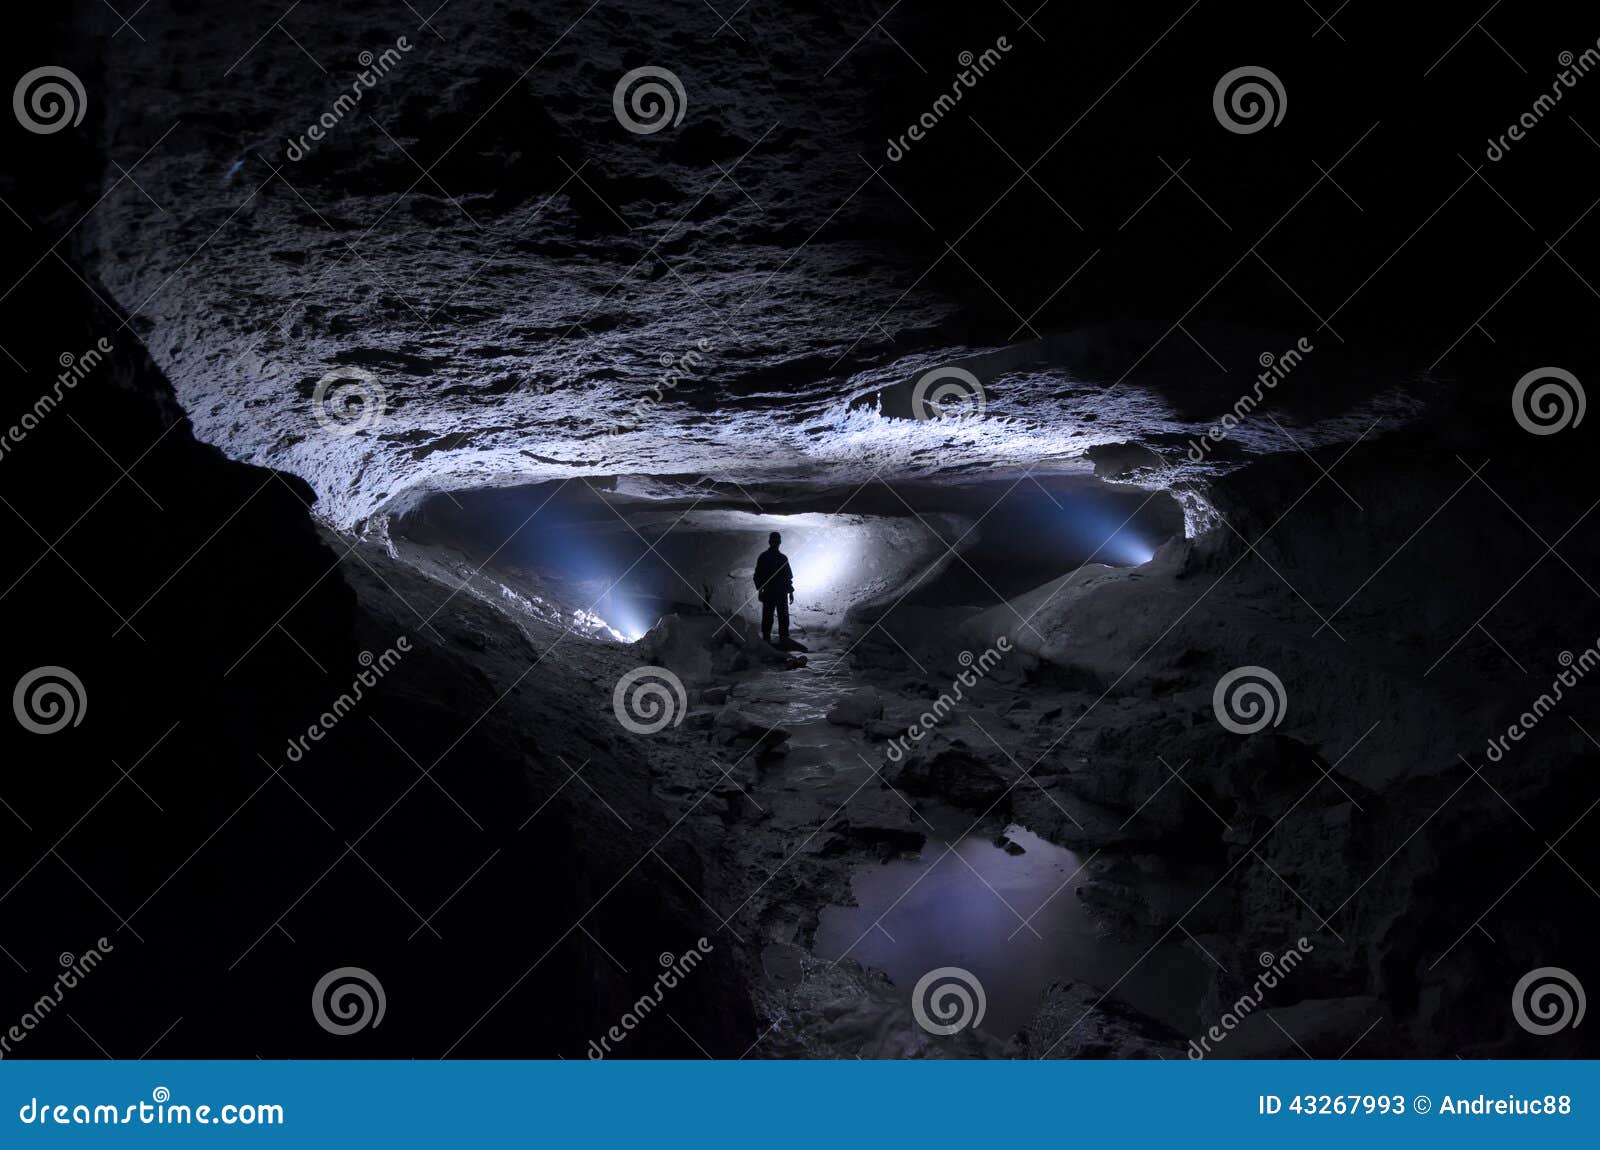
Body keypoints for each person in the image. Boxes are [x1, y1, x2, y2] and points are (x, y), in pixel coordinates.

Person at [753, 531, 794, 644]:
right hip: (780, 592)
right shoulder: (782, 558)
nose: (776, 543)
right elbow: (788, 577)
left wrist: (760, 590)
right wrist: (790, 591)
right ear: (779, 542)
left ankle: (767, 639)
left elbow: (757, 576)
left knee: (768, 616)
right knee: (782, 616)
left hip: (769, 592)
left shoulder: (763, 557)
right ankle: (783, 638)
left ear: (770, 542)